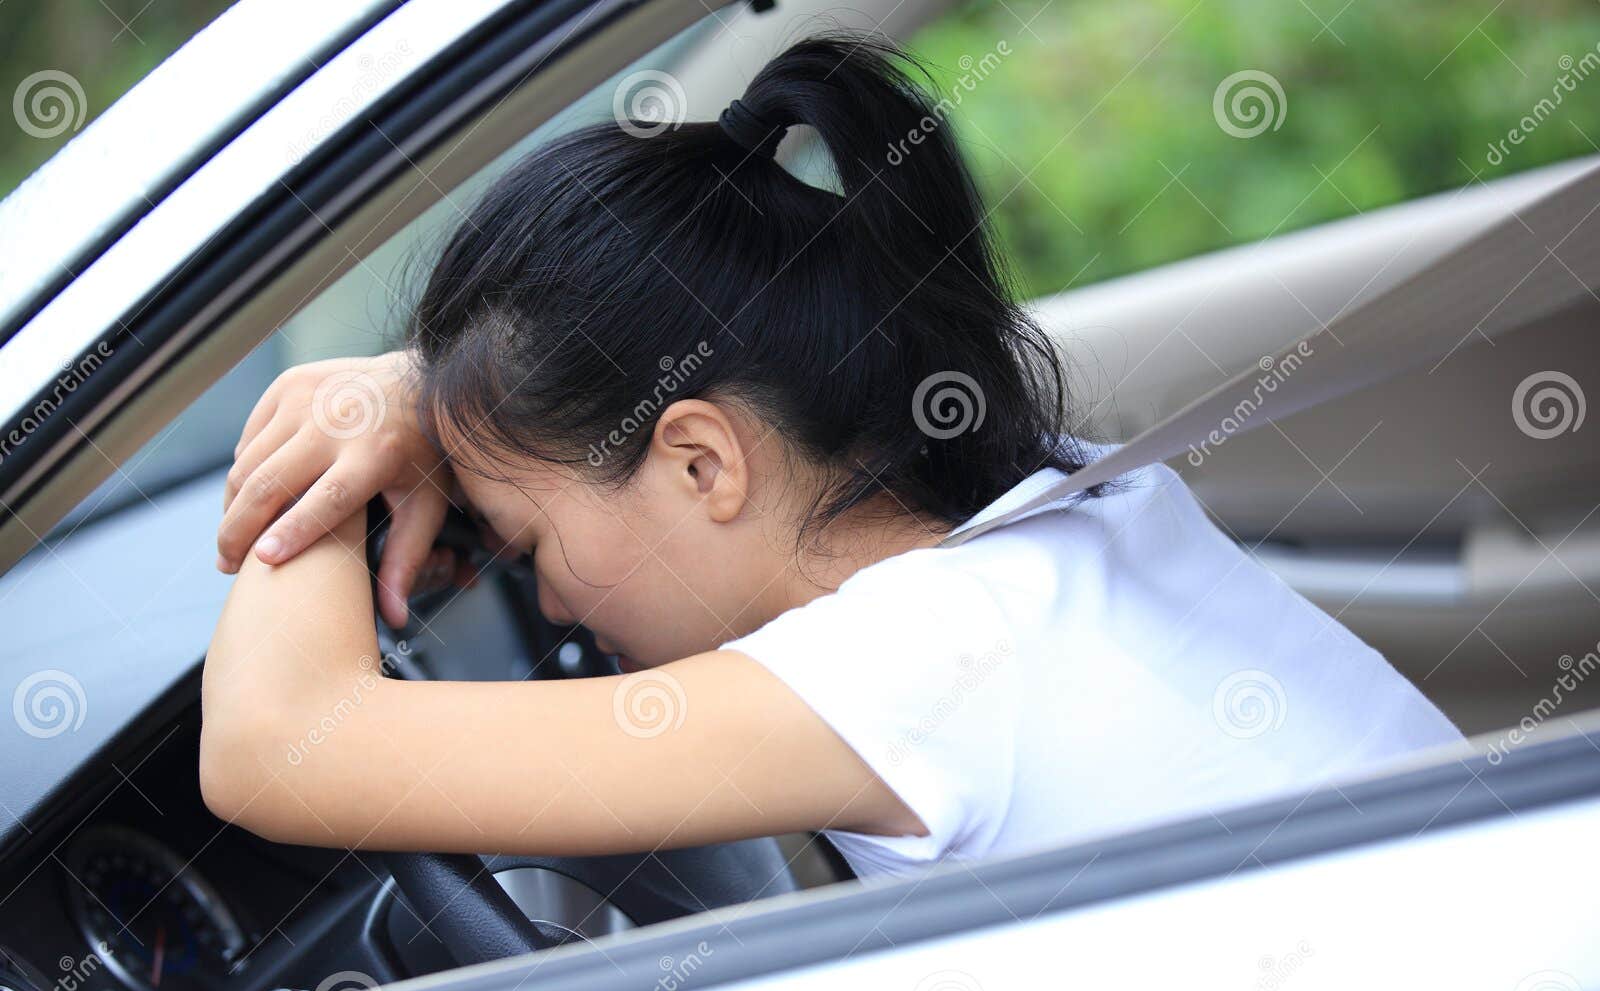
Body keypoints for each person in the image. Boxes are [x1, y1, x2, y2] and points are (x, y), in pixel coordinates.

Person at [201, 34, 1463, 879]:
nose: (550, 607)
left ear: (702, 462)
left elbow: (275, 747)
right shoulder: (1071, 502)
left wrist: (349, 404)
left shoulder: (905, 666)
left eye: (527, 544)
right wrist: (436, 396)